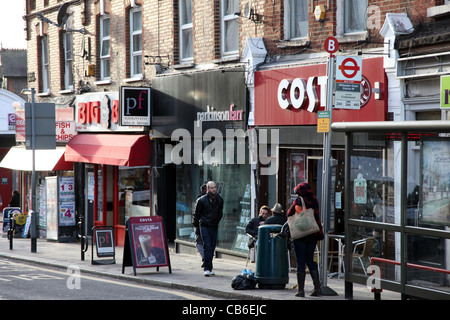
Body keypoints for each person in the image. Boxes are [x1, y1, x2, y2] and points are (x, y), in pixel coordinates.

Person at [287, 182, 324, 297]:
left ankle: (301, 290)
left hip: (301, 235)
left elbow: (290, 213)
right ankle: (317, 288)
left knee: (300, 261)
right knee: (310, 260)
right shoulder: (315, 200)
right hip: (313, 233)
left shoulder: (299, 200)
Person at [193, 181, 223, 276]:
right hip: (204, 225)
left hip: (214, 226)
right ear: (207, 189)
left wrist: (216, 222)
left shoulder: (219, 200)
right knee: (207, 246)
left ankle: (209, 267)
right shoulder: (202, 200)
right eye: (211, 188)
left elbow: (220, 213)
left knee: (212, 246)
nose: (214, 189)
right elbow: (196, 214)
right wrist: (196, 227)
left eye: (215, 187)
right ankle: (207, 268)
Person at [195, 184, 207, 267]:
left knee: (199, 243)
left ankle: (205, 258)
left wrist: (196, 225)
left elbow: (195, 215)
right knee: (206, 244)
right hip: (207, 225)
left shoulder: (199, 199)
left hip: (202, 224)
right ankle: (206, 258)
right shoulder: (212, 199)